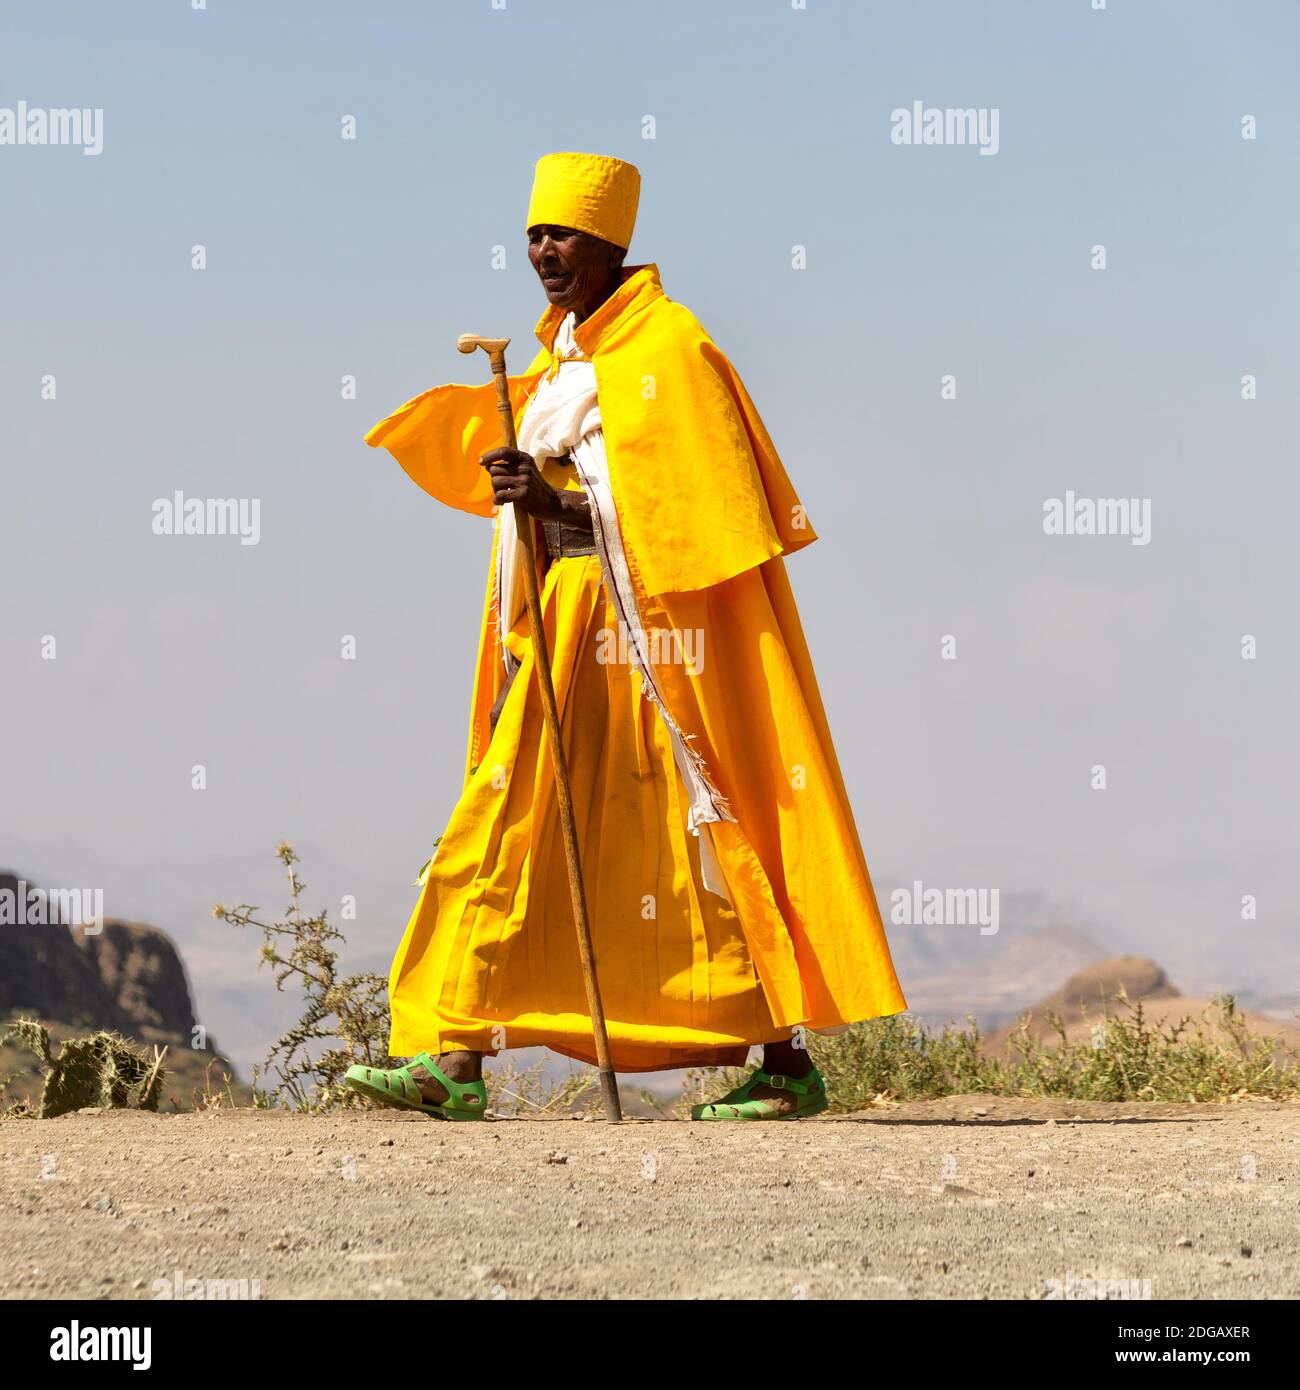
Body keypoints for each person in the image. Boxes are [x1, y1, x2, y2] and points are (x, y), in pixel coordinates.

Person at [347, 151, 905, 1121]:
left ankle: (783, 1060)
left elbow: (688, 519)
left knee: (702, 834)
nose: (542, 252)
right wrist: (533, 507)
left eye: (560, 234)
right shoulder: (563, 365)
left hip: (659, 651)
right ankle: (453, 1056)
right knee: (500, 823)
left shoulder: (672, 353)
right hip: (565, 632)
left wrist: (556, 497)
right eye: (532, 234)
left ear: (610, 244)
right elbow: (580, 510)